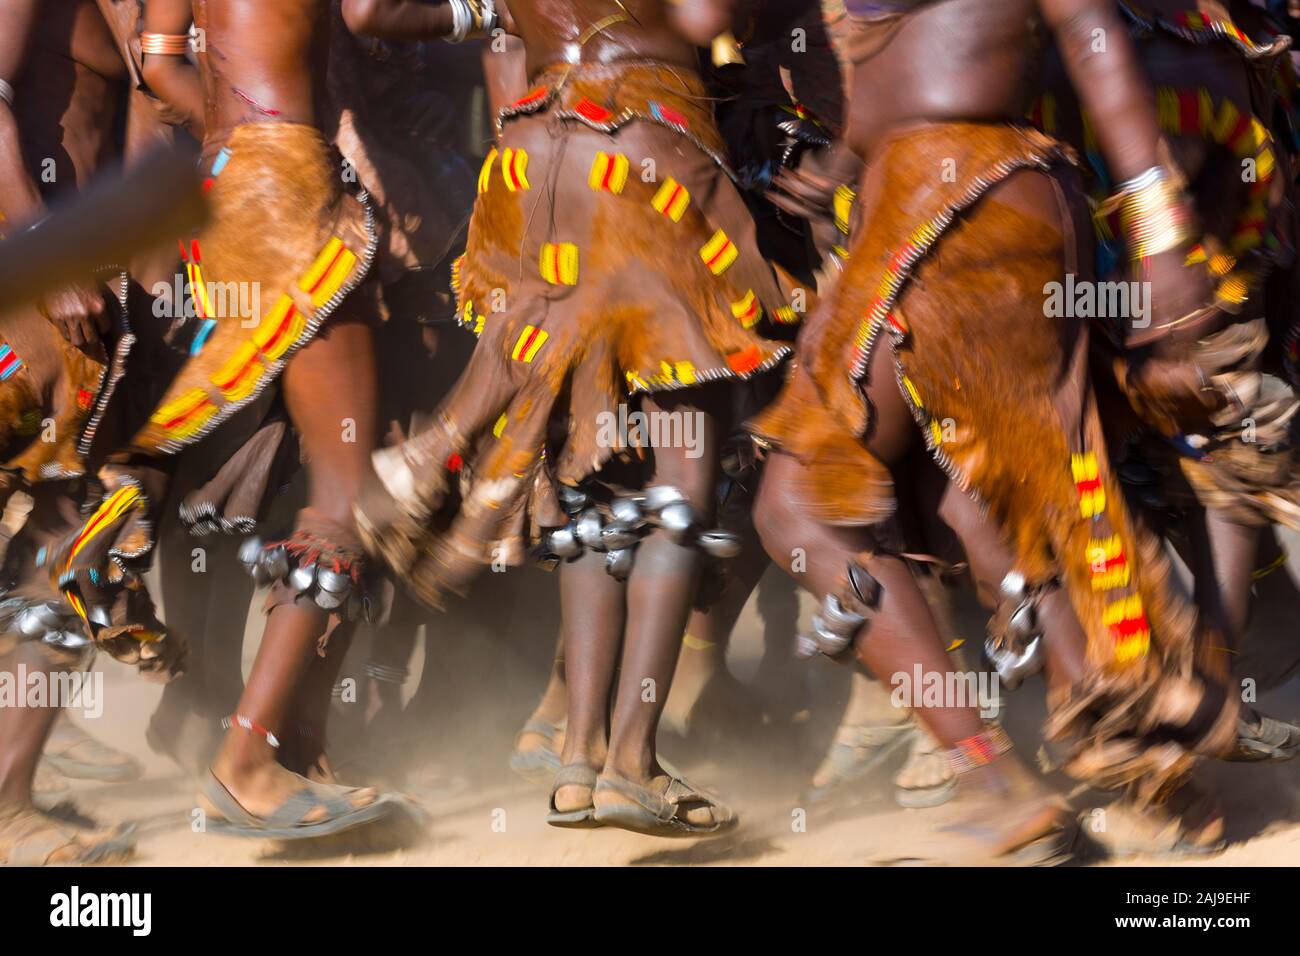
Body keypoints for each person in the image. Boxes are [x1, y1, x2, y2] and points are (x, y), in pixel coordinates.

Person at [347, 0, 803, 836]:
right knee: (678, 480)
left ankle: (577, 762)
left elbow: (369, 9)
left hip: (536, 161)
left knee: (596, 473)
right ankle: (635, 761)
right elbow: (706, 18)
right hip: (639, 157)